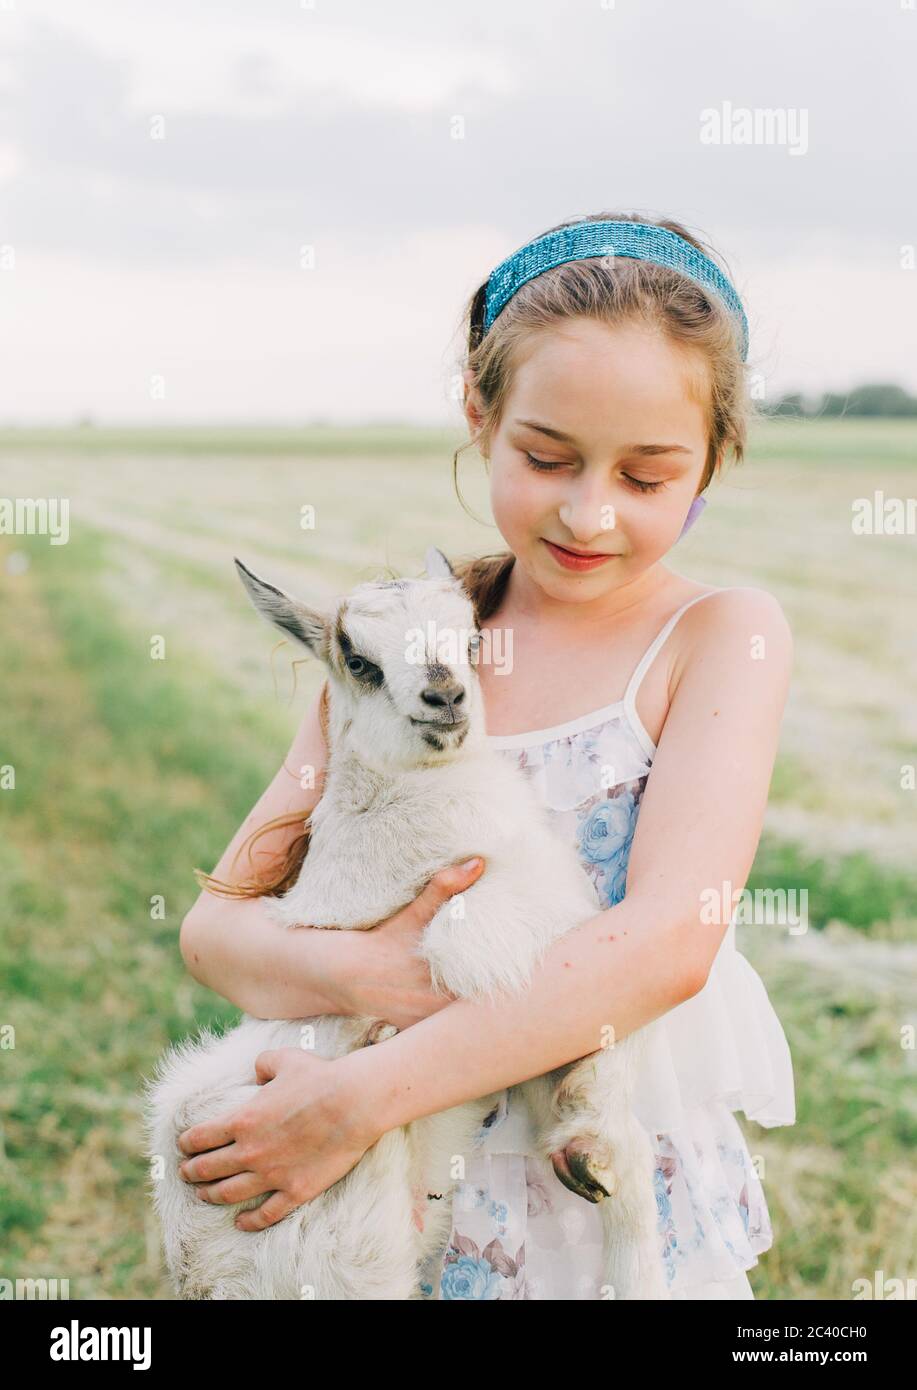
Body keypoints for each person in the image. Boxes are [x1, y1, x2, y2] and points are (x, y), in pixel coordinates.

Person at [175, 211, 796, 1300]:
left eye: (645, 478)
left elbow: (663, 946)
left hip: (579, 1187)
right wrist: (357, 980)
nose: (587, 512)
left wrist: (361, 1094)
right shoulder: (397, 655)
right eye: (546, 457)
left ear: (715, 454)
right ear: (480, 415)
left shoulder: (716, 637)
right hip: (377, 1186)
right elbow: (218, 929)